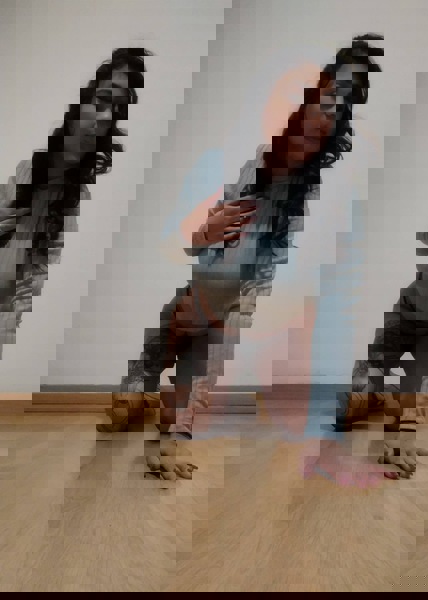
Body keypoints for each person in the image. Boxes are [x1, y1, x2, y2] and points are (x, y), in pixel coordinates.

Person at [96, 35, 384, 482]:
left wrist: (248, 288)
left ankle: (167, 439)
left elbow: (269, 242)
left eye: (338, 107)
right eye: (325, 100)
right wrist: (206, 238)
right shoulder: (266, 162)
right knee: (172, 344)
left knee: (202, 365)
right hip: (214, 277)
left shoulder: (305, 182)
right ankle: (135, 399)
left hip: (240, 287)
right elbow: (217, 222)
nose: (326, 115)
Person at [0, 47, 152, 357]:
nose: (106, 116)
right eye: (102, 100)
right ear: (81, 101)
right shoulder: (23, 159)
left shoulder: (73, 201)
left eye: (116, 110)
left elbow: (30, 288)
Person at [334, 195, 428, 479]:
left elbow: (426, 372)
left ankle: (381, 409)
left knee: (417, 376)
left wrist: (404, 432)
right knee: (355, 398)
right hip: (407, 316)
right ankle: (360, 406)